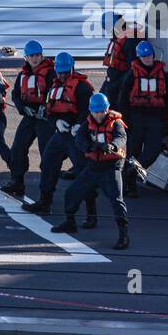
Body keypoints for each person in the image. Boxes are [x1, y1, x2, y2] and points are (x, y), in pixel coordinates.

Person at [53, 93, 131, 250]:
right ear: (90, 111)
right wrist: (91, 147)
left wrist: (113, 146)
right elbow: (79, 140)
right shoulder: (87, 124)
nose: (99, 114)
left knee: (117, 200)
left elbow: (121, 139)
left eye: (102, 111)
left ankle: (123, 234)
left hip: (111, 167)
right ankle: (70, 221)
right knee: (72, 192)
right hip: (94, 166)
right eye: (95, 111)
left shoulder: (116, 124)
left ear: (107, 109)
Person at [23, 52, 95, 215]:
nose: (62, 75)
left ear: (71, 69)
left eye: (65, 72)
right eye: (59, 72)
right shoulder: (54, 86)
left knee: (83, 169)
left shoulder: (83, 87)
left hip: (77, 136)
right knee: (47, 164)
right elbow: (50, 109)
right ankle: (45, 201)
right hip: (60, 133)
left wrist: (80, 125)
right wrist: (55, 122)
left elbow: (89, 111)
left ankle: (91, 210)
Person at [114, 40, 168, 197]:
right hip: (136, 116)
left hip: (155, 116)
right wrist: (125, 120)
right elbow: (123, 97)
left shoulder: (162, 73)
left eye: (149, 55)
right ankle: (129, 186)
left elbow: (167, 98)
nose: (147, 58)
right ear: (139, 57)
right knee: (133, 150)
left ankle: (132, 171)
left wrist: (166, 120)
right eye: (144, 56)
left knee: (154, 150)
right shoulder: (132, 73)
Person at [3, 40, 54, 196]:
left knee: (47, 153)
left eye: (37, 55)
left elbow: (54, 93)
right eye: (31, 56)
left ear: (41, 55)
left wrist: (44, 108)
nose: (35, 58)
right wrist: (23, 108)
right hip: (29, 116)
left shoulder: (51, 74)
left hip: (45, 119)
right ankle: (17, 182)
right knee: (17, 149)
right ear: (26, 57)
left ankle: (47, 192)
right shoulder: (22, 75)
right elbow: (16, 95)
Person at [99, 12, 139, 103]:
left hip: (120, 86)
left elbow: (132, 69)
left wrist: (117, 85)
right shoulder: (118, 38)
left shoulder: (130, 40)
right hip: (110, 83)